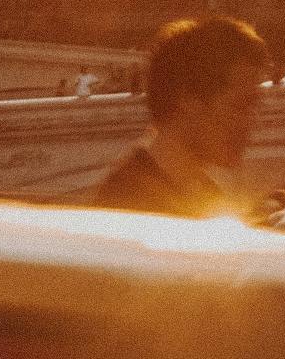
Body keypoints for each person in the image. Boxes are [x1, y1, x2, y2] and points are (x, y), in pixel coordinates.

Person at [96, 13, 271, 216]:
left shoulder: (205, 196)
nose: (253, 120)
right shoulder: (129, 206)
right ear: (188, 100)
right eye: (241, 105)